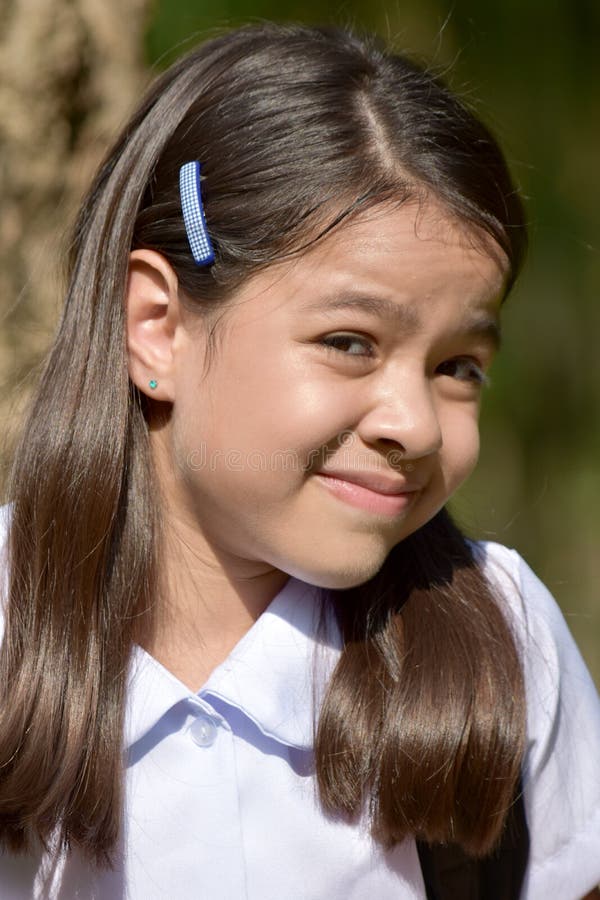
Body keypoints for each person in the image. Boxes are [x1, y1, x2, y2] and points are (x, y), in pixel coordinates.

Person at [0, 22, 599, 900]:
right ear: (157, 327)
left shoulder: (499, 642)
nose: (417, 425)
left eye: (458, 367)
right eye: (350, 342)